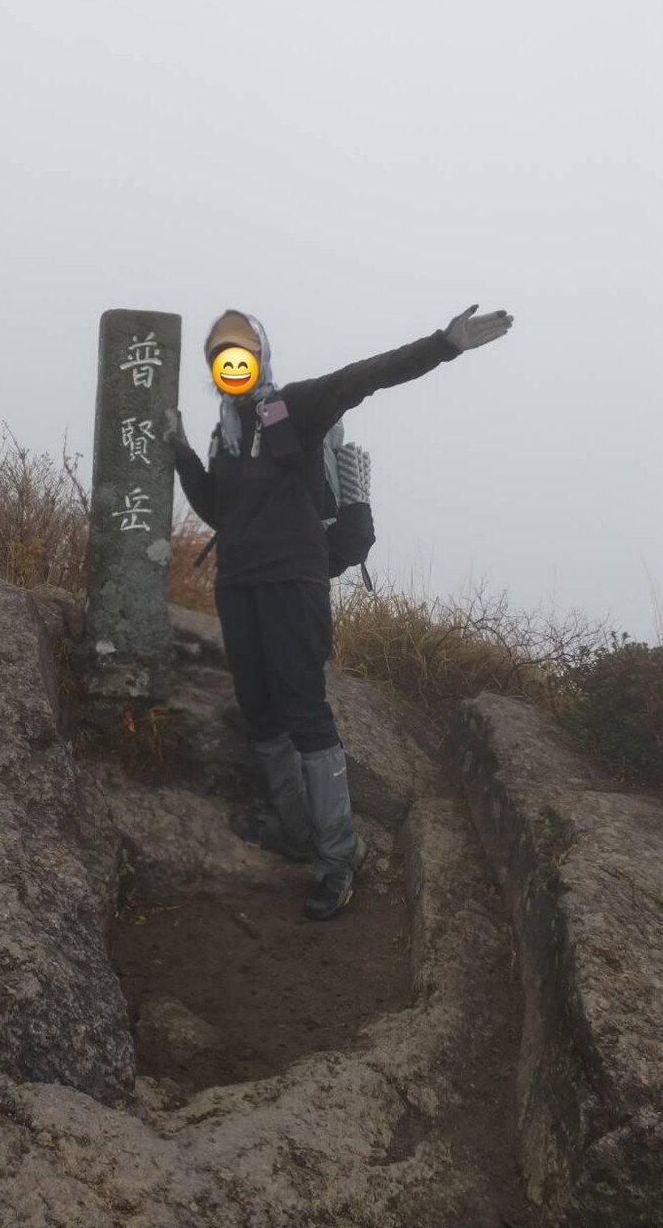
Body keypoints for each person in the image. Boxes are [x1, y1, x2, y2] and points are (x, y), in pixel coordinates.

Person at [164, 304, 513, 920]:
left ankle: (337, 852)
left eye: (241, 350)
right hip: (239, 584)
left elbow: (366, 375)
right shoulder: (226, 433)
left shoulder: (294, 405)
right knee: (260, 709)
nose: (232, 362)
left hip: (294, 581)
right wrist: (186, 455)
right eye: (221, 355)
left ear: (260, 356)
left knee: (302, 709)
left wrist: (444, 344)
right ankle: (295, 830)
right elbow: (222, 512)